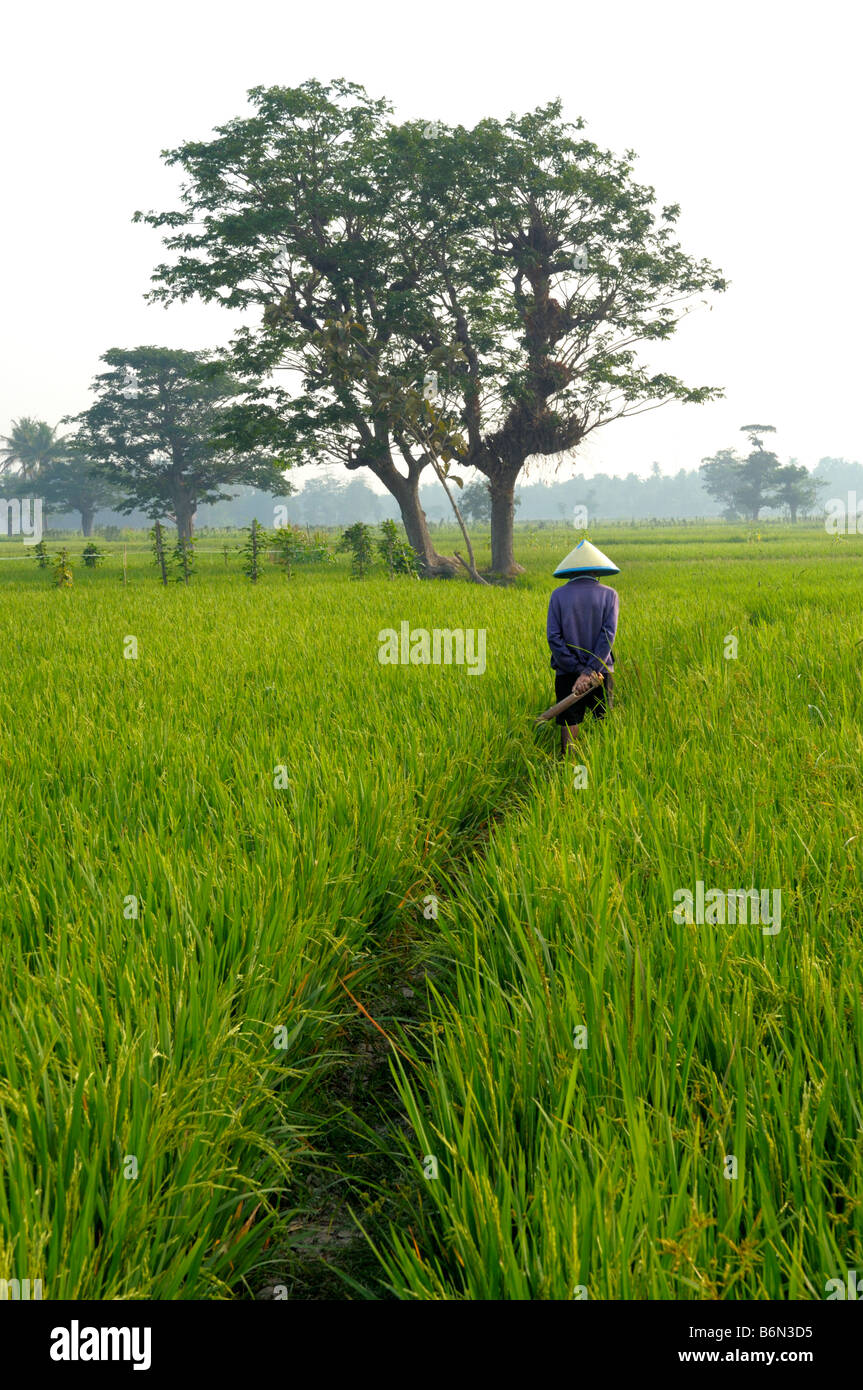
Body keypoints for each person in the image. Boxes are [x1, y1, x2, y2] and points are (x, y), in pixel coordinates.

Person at [546, 539, 620, 754]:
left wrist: (578, 671)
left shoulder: (558, 595)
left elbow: (554, 637)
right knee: (602, 718)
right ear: (597, 571)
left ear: (570, 572)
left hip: (567, 671)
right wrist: (589, 672)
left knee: (569, 720)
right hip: (600, 673)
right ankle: (605, 760)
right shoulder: (609, 595)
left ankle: (568, 764)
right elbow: (608, 636)